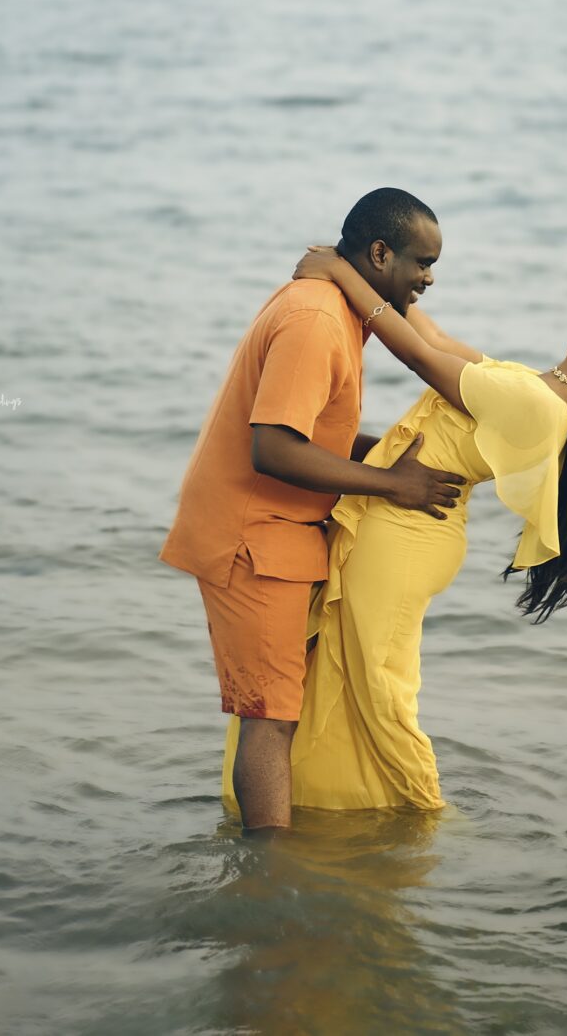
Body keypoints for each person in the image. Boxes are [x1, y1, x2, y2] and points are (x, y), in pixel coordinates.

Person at [221, 247, 567, 812]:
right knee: (352, 675)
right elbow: (429, 335)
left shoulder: (538, 405)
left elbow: (415, 354)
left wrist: (339, 272)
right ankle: (331, 806)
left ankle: (420, 810)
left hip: (405, 537)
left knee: (378, 686)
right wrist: (365, 266)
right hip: (403, 526)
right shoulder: (533, 385)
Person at [159, 190, 467, 832]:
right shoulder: (317, 321)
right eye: (422, 263)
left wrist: (386, 462)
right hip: (251, 536)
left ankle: (279, 858)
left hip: (281, 532)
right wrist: (392, 486)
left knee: (278, 708)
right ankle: (268, 877)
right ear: (379, 254)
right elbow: (272, 447)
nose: (429, 278)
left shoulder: (338, 310)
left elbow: (312, 433)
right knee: (270, 719)